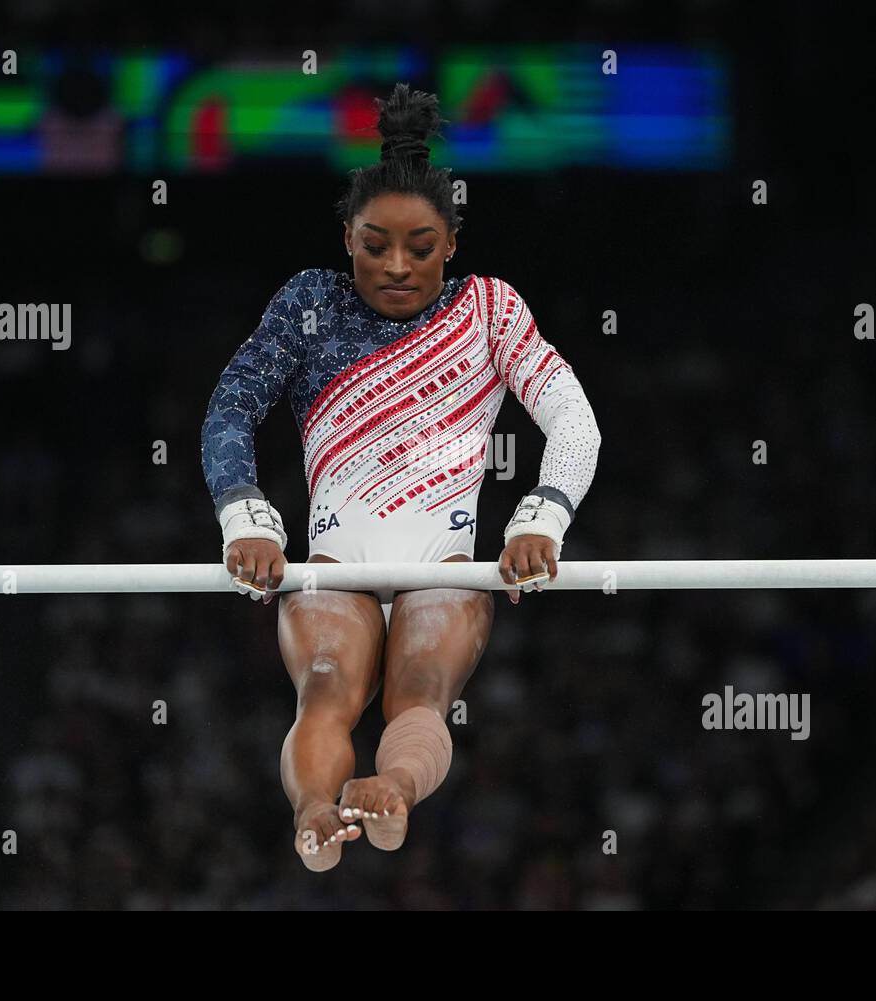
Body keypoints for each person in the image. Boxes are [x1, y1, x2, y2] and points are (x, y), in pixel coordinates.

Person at [200, 82, 601, 870]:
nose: (396, 265)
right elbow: (229, 409)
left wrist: (539, 519)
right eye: (375, 243)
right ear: (346, 236)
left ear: (451, 244)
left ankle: (394, 791)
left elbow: (575, 421)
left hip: (443, 563)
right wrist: (246, 517)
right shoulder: (308, 305)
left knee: (420, 684)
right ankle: (317, 806)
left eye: (421, 246)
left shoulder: (489, 310)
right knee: (326, 687)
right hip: (336, 563)